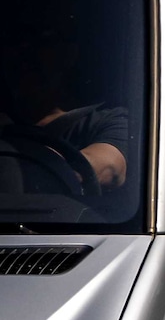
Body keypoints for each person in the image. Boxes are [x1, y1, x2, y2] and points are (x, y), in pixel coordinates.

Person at [0, 24, 130, 203]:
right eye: (14, 42)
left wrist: (26, 167)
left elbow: (110, 166)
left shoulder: (109, 120)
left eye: (39, 43)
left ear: (69, 54)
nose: (23, 52)